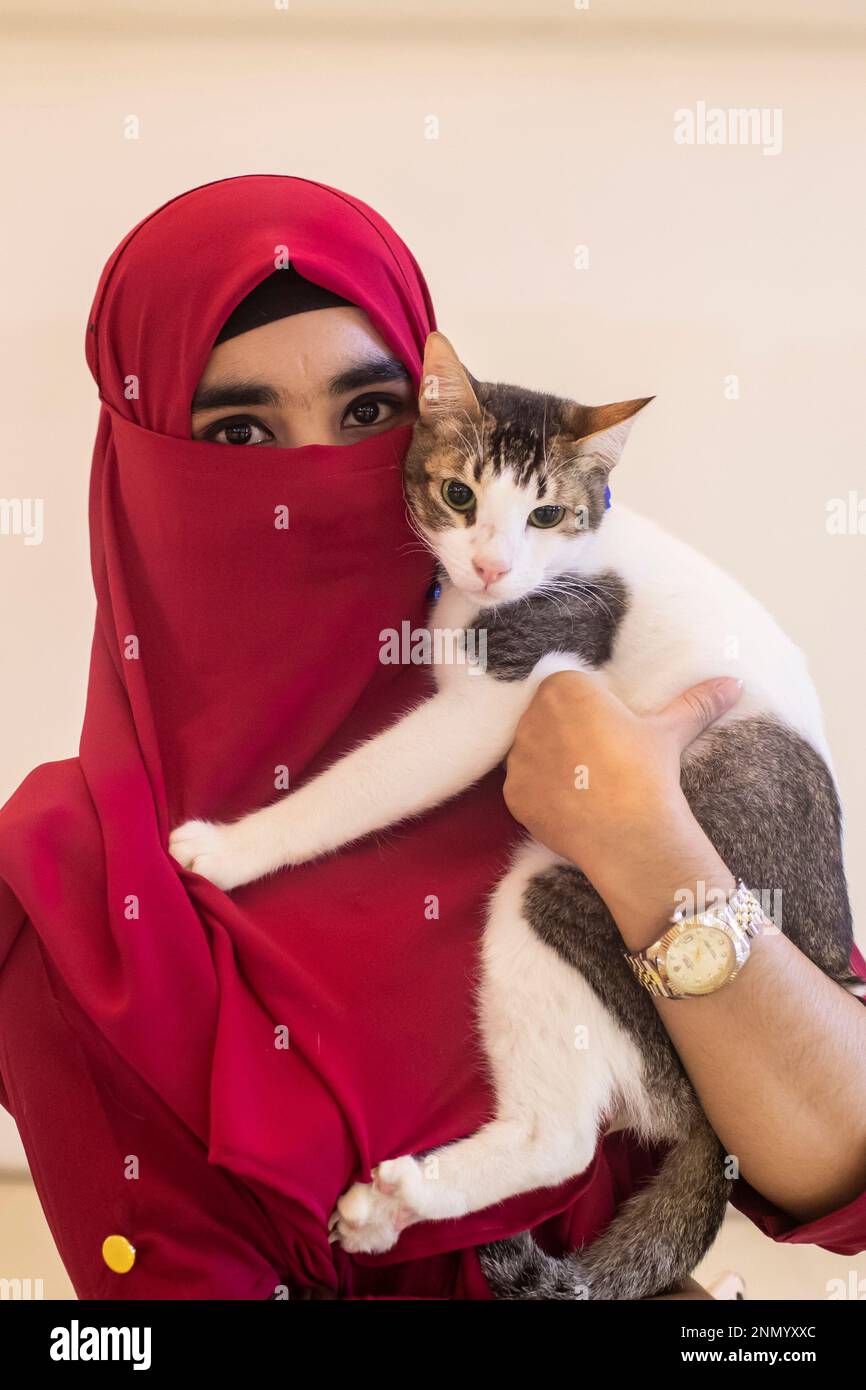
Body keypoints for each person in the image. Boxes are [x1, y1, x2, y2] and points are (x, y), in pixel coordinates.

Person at [0, 175, 863, 1302]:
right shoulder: (71, 890)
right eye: (241, 431)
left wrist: (649, 846)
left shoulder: (572, 728)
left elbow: (837, 1166)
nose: (316, 478)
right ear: (146, 466)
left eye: (367, 415)